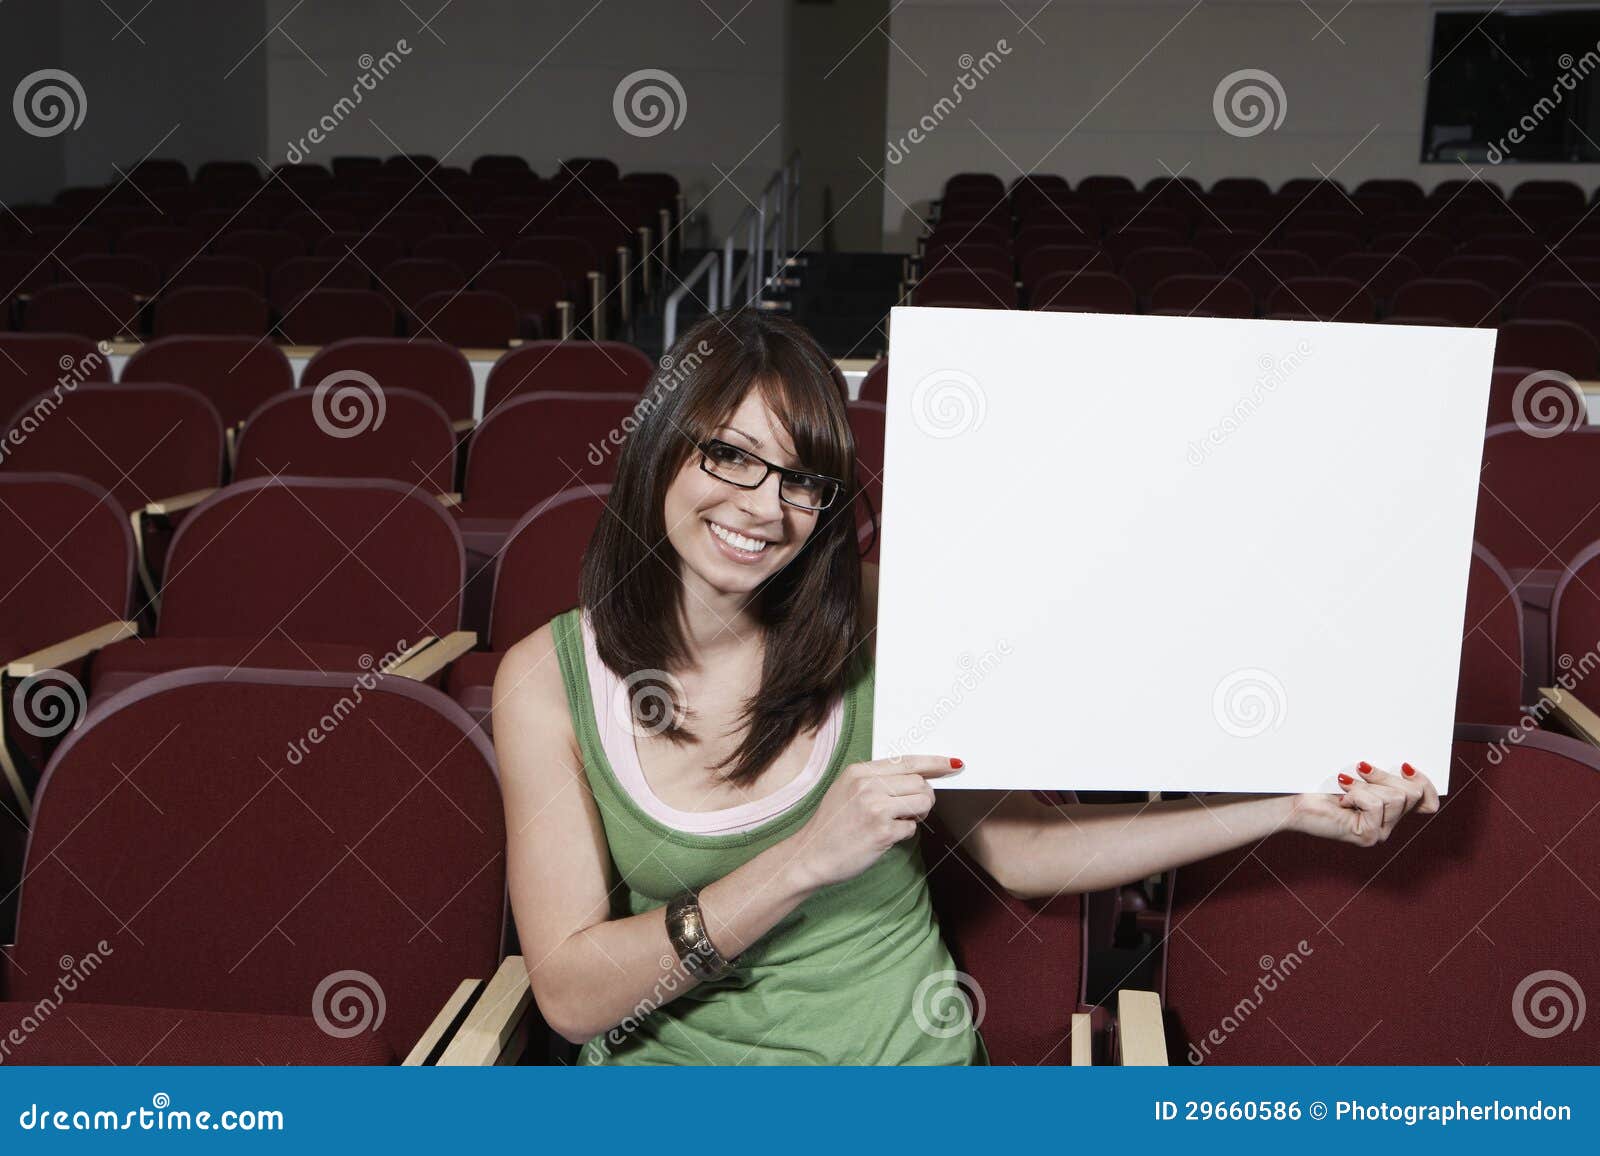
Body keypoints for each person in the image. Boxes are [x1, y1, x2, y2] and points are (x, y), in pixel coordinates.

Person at [492, 308, 1439, 1066]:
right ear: (659, 448)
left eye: (803, 480)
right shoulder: (546, 681)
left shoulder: (882, 620)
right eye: (730, 455)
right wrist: (804, 860)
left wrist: (1285, 804)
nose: (764, 507)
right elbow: (570, 997)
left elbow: (1023, 849)